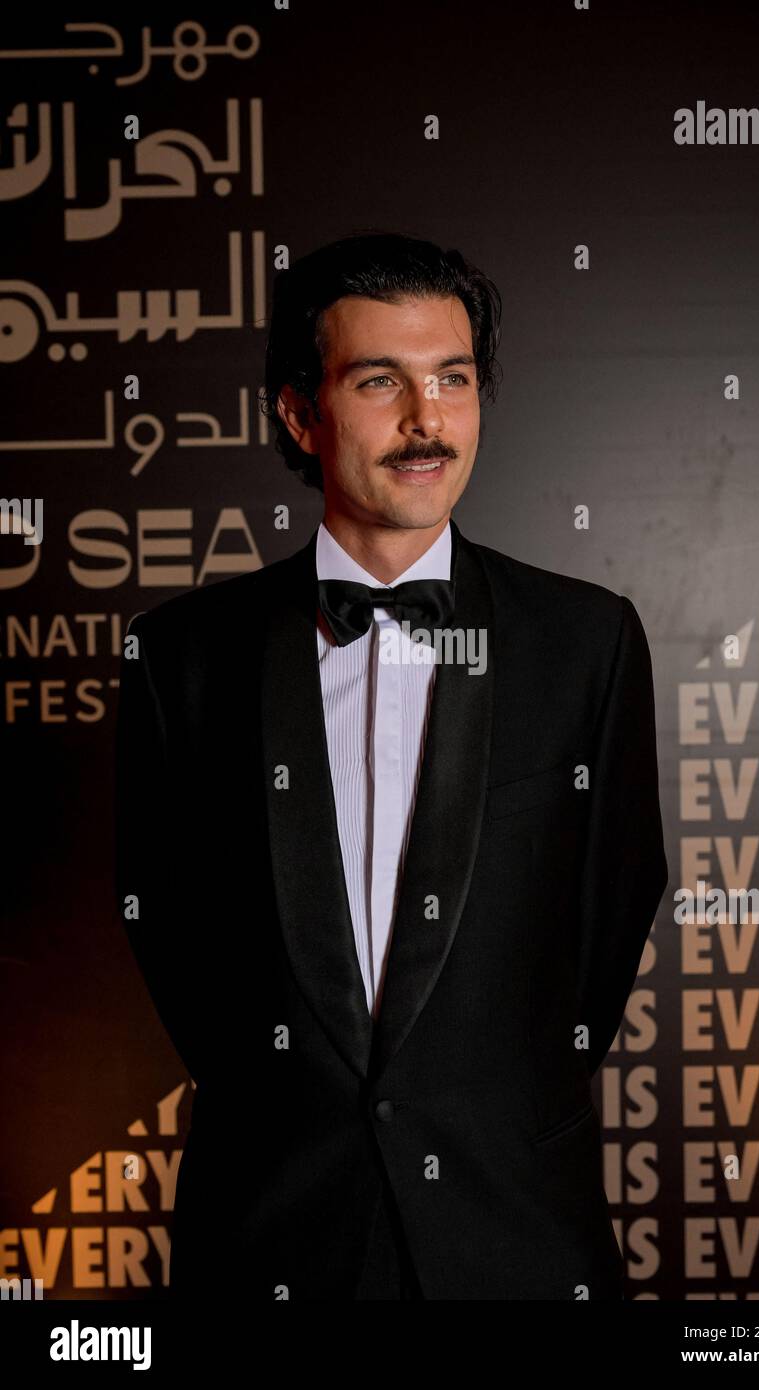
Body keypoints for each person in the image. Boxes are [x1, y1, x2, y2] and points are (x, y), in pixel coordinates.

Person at [115, 231, 667, 1301]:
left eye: (451, 379)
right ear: (297, 412)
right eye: (381, 382)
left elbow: (609, 912)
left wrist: (486, 1093)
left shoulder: (585, 641)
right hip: (268, 1232)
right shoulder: (180, 659)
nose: (427, 422)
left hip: (516, 1232)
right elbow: (166, 927)